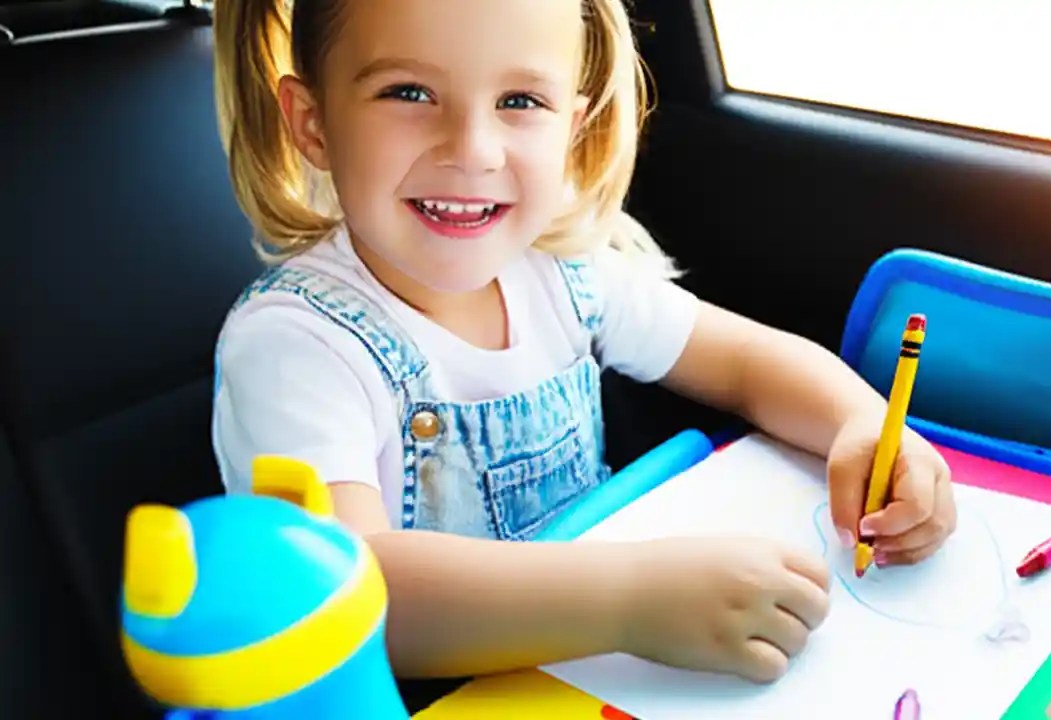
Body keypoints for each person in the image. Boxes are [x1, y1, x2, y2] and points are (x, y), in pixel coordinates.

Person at [209, 0, 956, 684]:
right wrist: (630, 599)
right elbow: (348, 592)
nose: (472, 150)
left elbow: (748, 363)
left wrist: (862, 427)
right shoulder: (293, 345)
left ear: (574, 123)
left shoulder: (564, 277)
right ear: (312, 122)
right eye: (408, 93)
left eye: (520, 102)